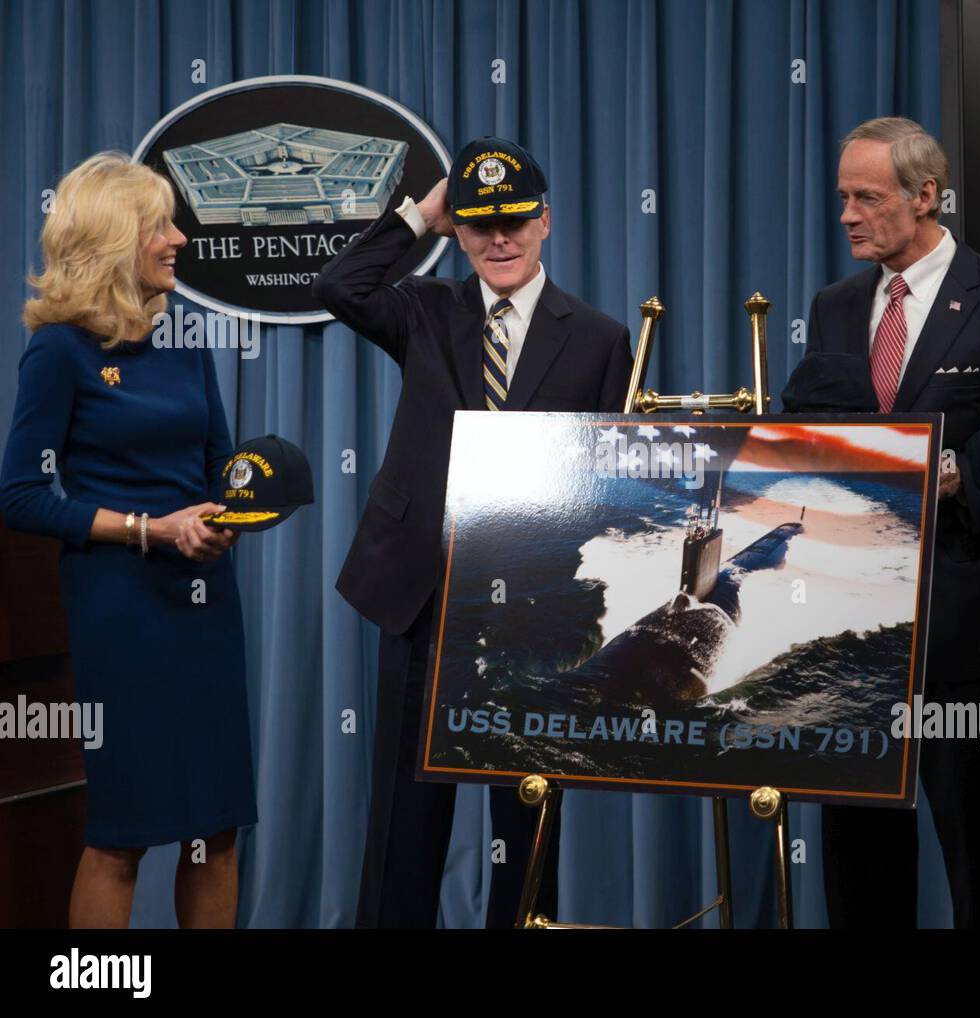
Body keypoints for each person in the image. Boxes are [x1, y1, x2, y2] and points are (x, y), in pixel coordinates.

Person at [313, 136, 632, 928]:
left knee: (525, 824)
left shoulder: (598, 337)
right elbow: (338, 285)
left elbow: (612, 479)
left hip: (535, 610)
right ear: (457, 230)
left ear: (546, 222)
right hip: (421, 596)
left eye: (515, 222)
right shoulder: (426, 310)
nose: (498, 239)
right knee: (404, 824)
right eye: (478, 223)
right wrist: (421, 211)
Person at [807, 117, 980, 928]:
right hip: (848, 633)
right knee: (858, 870)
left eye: (867, 197)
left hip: (964, 635)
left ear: (925, 196)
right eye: (842, 196)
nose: (847, 214)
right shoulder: (836, 306)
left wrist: (963, 484)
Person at [0, 152, 254, 928]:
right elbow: (22, 494)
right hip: (120, 609)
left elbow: (217, 461)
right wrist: (149, 530)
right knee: (123, 834)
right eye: (161, 226)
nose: (178, 238)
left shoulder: (184, 337)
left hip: (204, 600)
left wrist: (230, 514)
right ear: (117, 239)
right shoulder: (61, 350)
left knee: (215, 827)